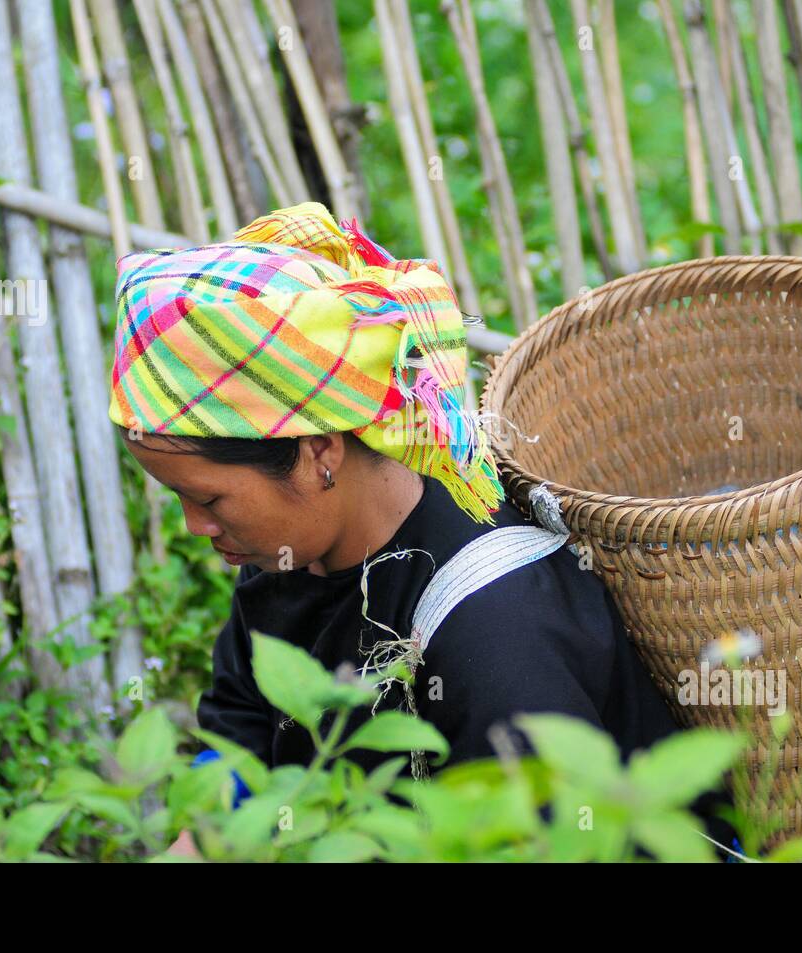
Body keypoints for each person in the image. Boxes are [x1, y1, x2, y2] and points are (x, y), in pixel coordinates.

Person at [107, 202, 734, 858]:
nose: (193, 525)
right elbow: (237, 754)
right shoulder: (286, 564)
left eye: (206, 496)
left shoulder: (491, 628)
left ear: (318, 451)